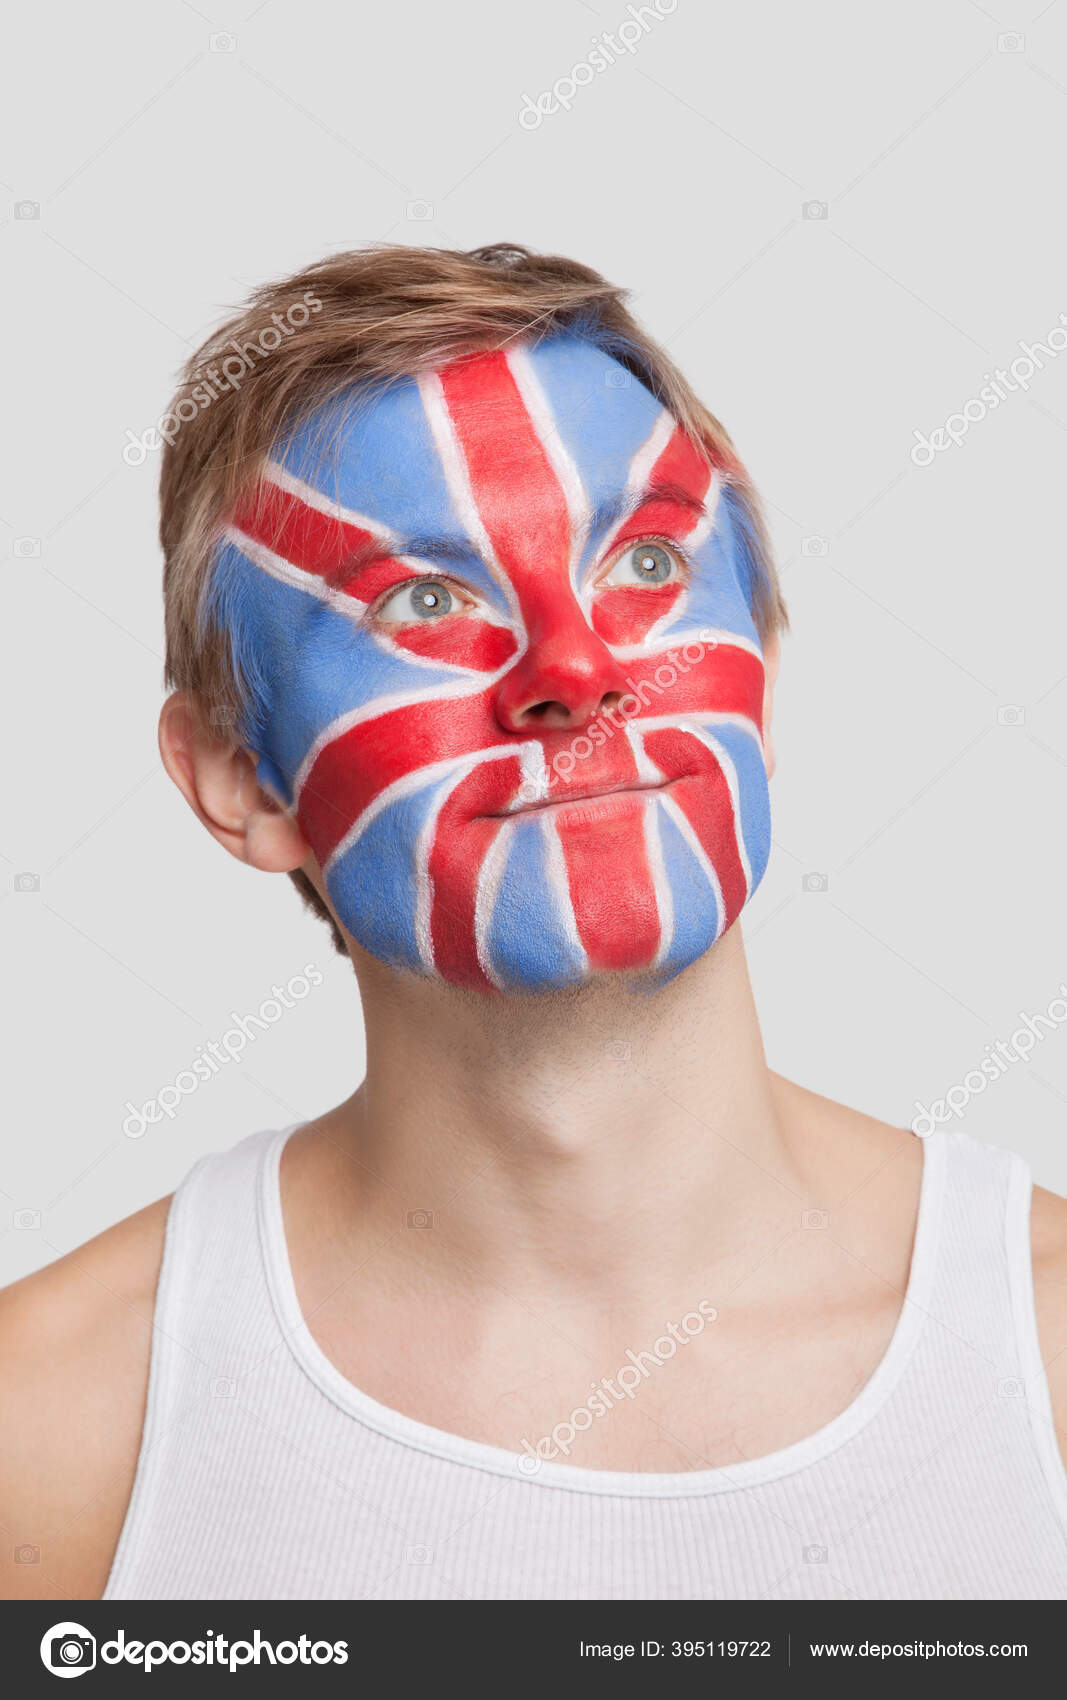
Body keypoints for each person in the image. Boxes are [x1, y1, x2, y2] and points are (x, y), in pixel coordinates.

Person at [3, 244, 1066, 1602]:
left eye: (644, 561)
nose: (576, 674)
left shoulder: (1050, 1357)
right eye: (423, 599)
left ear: (765, 671)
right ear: (240, 777)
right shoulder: (49, 1432)